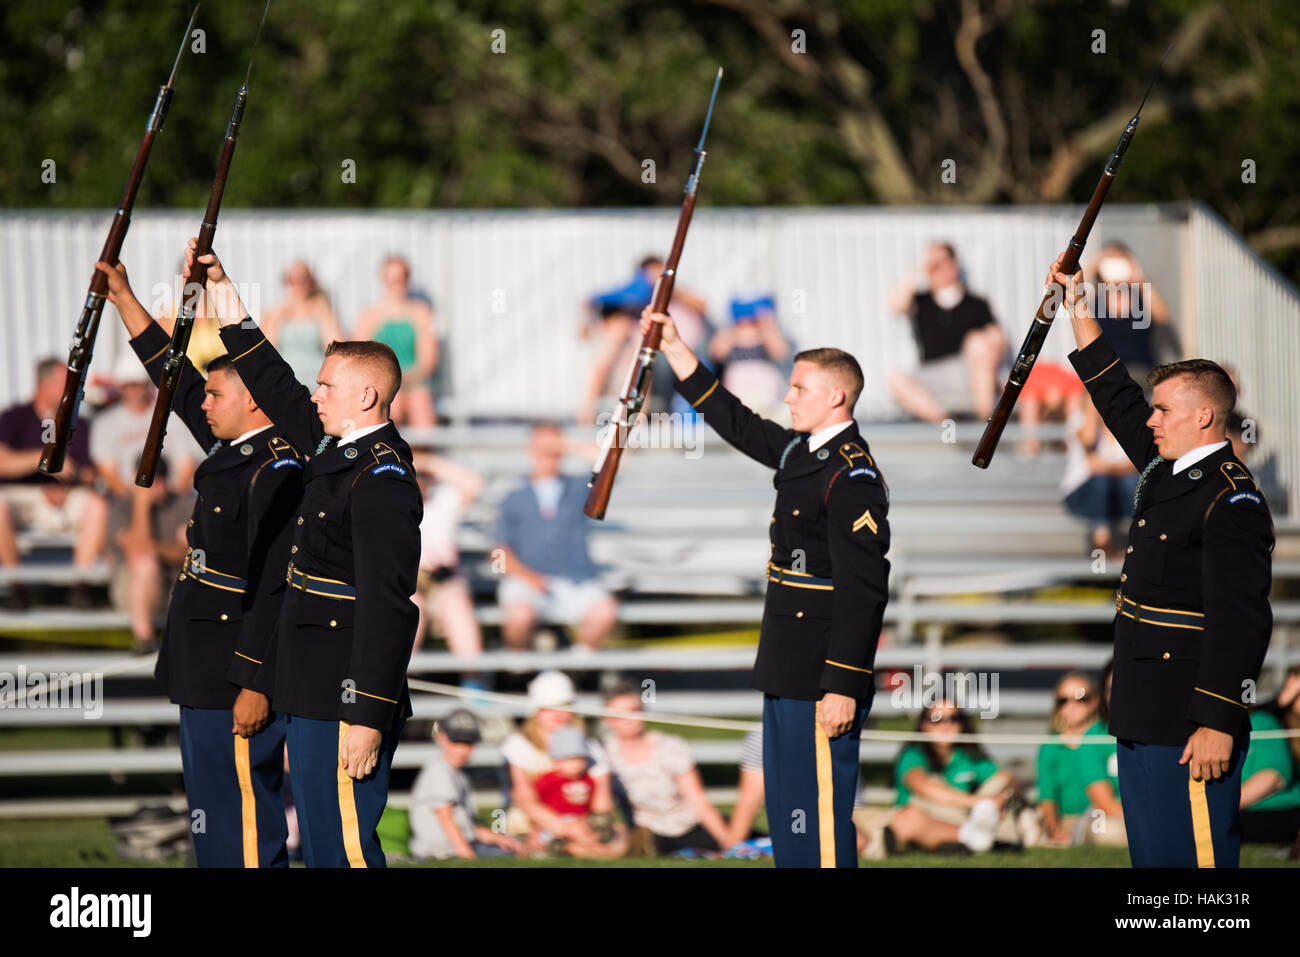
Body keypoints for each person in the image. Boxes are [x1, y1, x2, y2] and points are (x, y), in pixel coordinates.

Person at [192, 240, 424, 869]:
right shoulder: (336, 452)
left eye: (327, 386)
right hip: (309, 683)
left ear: (367, 398)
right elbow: (272, 377)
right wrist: (222, 290)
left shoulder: (381, 481)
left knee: (344, 848)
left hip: (344, 693)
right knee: (321, 845)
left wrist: (369, 712)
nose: (313, 396)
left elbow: (388, 604)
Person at [646, 306, 890, 868]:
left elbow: (864, 589)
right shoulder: (805, 455)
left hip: (822, 671)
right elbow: (736, 422)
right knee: (789, 814)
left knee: (823, 817)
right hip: (786, 661)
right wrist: (677, 349)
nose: (788, 396)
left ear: (835, 397)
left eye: (800, 387)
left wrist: (844, 684)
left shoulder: (851, 475)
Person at [1058, 250, 1274, 868]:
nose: (1148, 420)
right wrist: (1076, 304)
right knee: (1155, 864)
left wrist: (1217, 718)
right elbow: (1114, 393)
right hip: (1141, 710)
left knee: (1198, 872)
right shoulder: (1168, 467)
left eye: (1164, 411)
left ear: (1203, 416)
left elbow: (1241, 620)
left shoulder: (1230, 498)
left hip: (1190, 717)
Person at [96, 259, 306, 867]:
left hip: (234, 669)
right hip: (202, 663)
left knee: (243, 818)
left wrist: (253, 680)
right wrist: (125, 299)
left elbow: (272, 588)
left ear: (257, 404)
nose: (202, 402)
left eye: (217, 393)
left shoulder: (277, 470)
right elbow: (172, 378)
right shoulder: (235, 449)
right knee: (213, 814)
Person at [92, 353, 198, 651]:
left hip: (170, 581)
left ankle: (158, 641)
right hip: (137, 582)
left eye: (140, 385)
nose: (135, 391)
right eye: (129, 385)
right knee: (145, 563)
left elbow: (185, 552)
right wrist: (141, 502)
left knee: (167, 563)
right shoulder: (122, 505)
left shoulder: (182, 503)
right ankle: (144, 637)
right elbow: (136, 548)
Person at [494, 423, 617, 651]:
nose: (547, 454)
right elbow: (499, 553)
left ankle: (576, 665)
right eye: (541, 447)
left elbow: (612, 462)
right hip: (528, 582)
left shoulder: (578, 487)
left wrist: (564, 444)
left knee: (605, 611)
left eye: (553, 448)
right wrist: (527, 577)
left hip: (575, 580)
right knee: (519, 616)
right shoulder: (513, 496)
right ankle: (520, 669)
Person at [0, 358, 109, 610]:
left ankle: (80, 589)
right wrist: (42, 458)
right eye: (64, 382)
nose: (71, 389)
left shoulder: (79, 424)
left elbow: (91, 474)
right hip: (21, 496)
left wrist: (72, 483)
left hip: (67, 496)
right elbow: (2, 463)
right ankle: (18, 589)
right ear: (45, 384)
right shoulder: (14, 418)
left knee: (97, 506)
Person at [601, 682, 731, 855]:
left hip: (689, 827)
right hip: (646, 835)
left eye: (634, 711)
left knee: (754, 838)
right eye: (618, 715)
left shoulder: (670, 746)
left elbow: (698, 801)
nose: (628, 719)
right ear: (606, 719)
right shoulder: (602, 753)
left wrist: (727, 841)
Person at [886, 243, 1006, 422]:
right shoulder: (921, 301)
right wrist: (920, 268)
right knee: (895, 378)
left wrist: (980, 346)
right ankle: (948, 426)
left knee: (977, 342)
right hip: (933, 374)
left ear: (954, 266)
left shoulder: (975, 303)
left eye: (942, 263)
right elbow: (895, 304)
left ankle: (985, 423)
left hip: (969, 373)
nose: (937, 269)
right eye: (933, 265)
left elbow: (1000, 340)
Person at [500, 671, 617, 850]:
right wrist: (564, 828)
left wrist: (583, 826)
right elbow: (525, 800)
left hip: (584, 822)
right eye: (549, 707)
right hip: (533, 825)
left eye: (564, 706)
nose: (558, 714)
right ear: (536, 711)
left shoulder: (591, 746)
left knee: (611, 836)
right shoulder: (519, 746)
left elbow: (602, 804)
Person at [884, 702, 1019, 855]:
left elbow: (1007, 778)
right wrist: (979, 802)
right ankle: (976, 836)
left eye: (953, 718)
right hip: (927, 819)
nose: (946, 725)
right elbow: (922, 785)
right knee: (913, 815)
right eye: (936, 718)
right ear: (923, 724)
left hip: (963, 815)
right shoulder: (913, 755)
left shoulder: (967, 756)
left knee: (1000, 786)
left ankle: (978, 835)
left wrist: (1003, 796)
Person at [408, 709, 524, 860]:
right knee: (507, 857)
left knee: (512, 849)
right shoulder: (439, 771)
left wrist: (500, 839)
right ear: (441, 738)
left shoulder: (458, 774)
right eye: (456, 742)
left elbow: (468, 827)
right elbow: (446, 818)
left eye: (468, 743)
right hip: (441, 851)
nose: (462, 750)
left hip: (458, 846)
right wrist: (468, 858)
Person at [1034, 672, 1126, 847]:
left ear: (1095, 700)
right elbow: (1047, 796)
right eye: (1063, 700)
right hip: (1068, 819)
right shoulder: (1050, 746)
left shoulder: (1106, 736)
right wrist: (1055, 830)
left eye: (1081, 698)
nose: (1072, 705)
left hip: (1100, 815)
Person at [411, 451, 484, 663]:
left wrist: (427, 461)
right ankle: (395, 687)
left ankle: (474, 684)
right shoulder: (390, 501)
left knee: (458, 608)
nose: (420, 480)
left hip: (443, 578)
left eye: (424, 475)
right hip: (407, 580)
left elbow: (473, 483)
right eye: (416, 474)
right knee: (412, 612)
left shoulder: (445, 499)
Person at [353, 255, 437, 428]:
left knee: (419, 402)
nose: (395, 284)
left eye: (400, 278)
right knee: (392, 404)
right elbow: (358, 359)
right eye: (390, 279)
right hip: (382, 383)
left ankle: (421, 452)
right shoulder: (369, 316)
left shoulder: (420, 313)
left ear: (407, 279)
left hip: (413, 382)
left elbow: (428, 360)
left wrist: (403, 379)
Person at [1060, 392, 1139, 557]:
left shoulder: (1125, 424)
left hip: (1116, 493)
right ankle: (1101, 540)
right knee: (1101, 481)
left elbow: (1134, 466)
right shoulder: (1079, 421)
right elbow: (1091, 461)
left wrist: (1108, 467)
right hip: (1083, 493)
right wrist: (1091, 412)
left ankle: (1137, 536)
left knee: (1131, 482)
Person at [1084, 241, 1174, 384]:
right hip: (1106, 371)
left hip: (1141, 371)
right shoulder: (1095, 299)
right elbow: (1073, 296)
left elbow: (1162, 315)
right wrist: (1093, 266)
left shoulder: (1141, 297)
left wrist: (1140, 277)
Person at [530, 726, 627, 858]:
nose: (576, 764)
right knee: (557, 844)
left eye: (580, 759)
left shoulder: (589, 779)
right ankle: (590, 851)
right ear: (556, 761)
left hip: (584, 822)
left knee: (607, 830)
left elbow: (597, 807)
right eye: (569, 760)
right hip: (558, 825)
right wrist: (536, 829)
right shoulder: (547, 781)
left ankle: (593, 848)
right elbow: (537, 807)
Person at [1239, 666, 1300, 848]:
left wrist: (1220, 806)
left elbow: (1273, 776)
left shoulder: (1266, 722)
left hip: (1277, 812)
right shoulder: (1275, 717)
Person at [260, 261, 344, 388]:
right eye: (291, 280)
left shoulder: (322, 310)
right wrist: (277, 318)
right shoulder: (275, 312)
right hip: (285, 381)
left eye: (302, 279)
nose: (297, 285)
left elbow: (337, 348)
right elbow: (266, 351)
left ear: (311, 281)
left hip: (315, 380)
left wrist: (323, 314)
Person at [706, 297, 791, 420]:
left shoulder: (768, 333)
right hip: (739, 394)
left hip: (765, 396)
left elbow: (781, 353)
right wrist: (734, 333)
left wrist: (766, 326)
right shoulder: (728, 334)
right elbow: (716, 353)